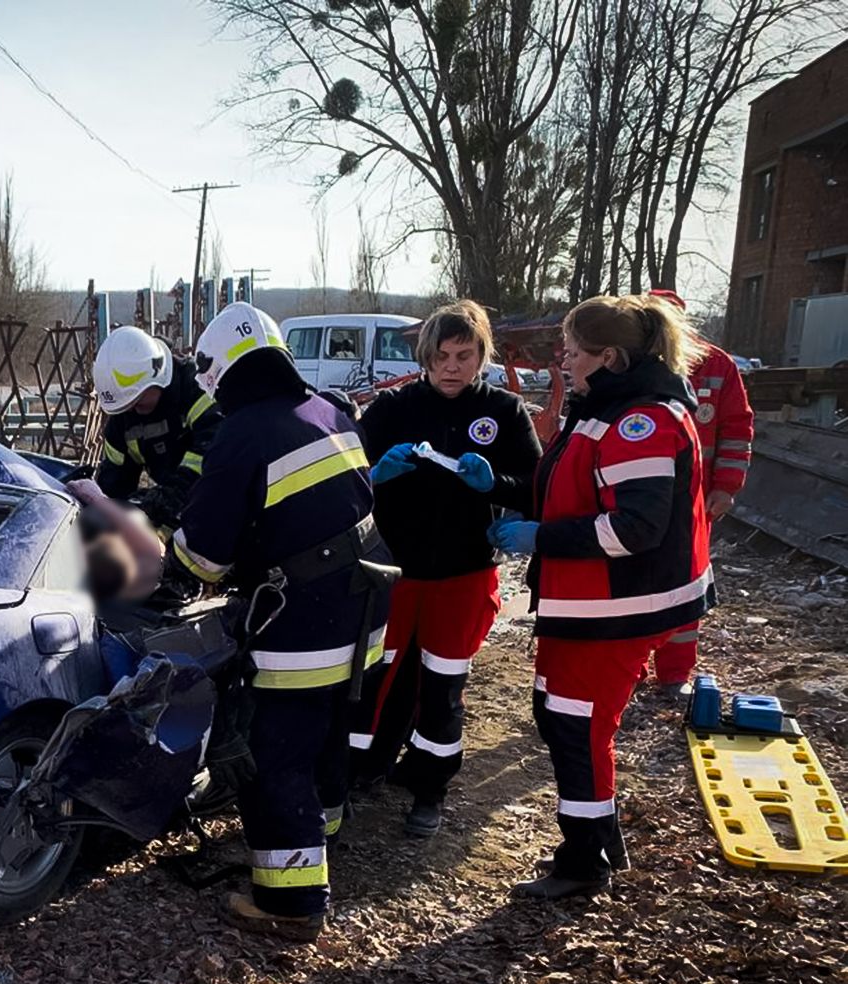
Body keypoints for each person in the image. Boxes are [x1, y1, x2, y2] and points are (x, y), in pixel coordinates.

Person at [165, 302, 394, 942]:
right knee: (326, 732)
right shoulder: (329, 411)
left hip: (306, 618)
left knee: (274, 752)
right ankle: (319, 835)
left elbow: (205, 557)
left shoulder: (242, 433)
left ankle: (291, 901)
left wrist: (170, 551)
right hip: (366, 603)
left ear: (219, 375)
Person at [488, 294, 713, 899]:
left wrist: (543, 537)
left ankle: (584, 862)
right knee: (557, 715)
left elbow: (635, 529)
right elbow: (569, 491)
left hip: (617, 606)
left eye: (572, 348)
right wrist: (509, 492)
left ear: (607, 356)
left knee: (578, 726)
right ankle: (602, 835)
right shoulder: (605, 408)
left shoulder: (641, 420)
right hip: (587, 603)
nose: (563, 357)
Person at [349, 300, 543, 838]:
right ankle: (360, 768)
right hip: (391, 572)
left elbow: (536, 487)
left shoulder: (504, 412)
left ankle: (430, 787)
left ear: (482, 354)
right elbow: (345, 482)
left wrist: (496, 487)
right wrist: (376, 474)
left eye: (464, 355)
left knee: (443, 687)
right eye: (440, 357)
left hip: (463, 573)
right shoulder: (392, 408)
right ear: (425, 358)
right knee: (373, 677)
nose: (451, 367)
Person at [645, 289, 754, 689]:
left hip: (693, 504)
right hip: (639, 500)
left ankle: (674, 672)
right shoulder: (628, 362)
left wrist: (726, 487)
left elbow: (737, 429)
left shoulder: (715, 365)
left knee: (685, 585)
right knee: (634, 582)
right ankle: (634, 662)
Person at [91, 324, 222, 529]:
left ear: (158, 377)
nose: (132, 410)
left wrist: (174, 491)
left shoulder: (194, 386)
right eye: (126, 405)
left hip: (219, 501)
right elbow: (115, 484)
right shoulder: (122, 418)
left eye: (137, 399)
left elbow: (216, 447)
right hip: (175, 512)